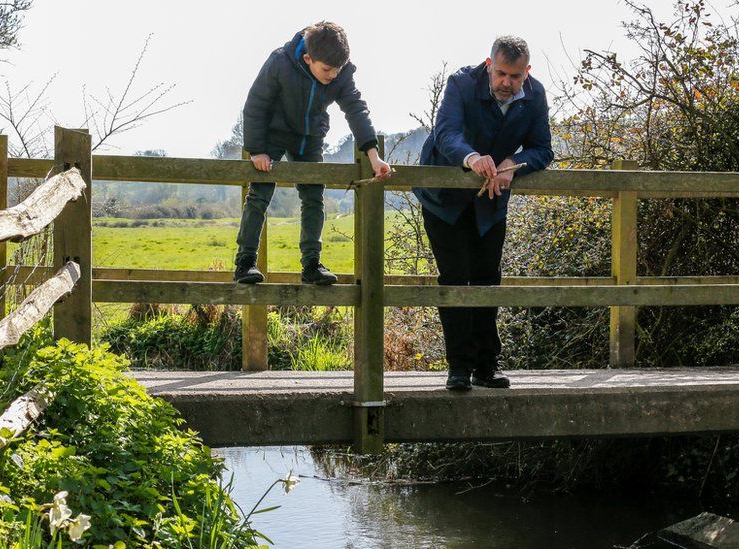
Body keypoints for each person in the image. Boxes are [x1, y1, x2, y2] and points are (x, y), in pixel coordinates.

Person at [413, 36, 554, 391]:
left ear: (528, 73)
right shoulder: (461, 84)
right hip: (444, 198)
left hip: (490, 199)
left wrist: (513, 164)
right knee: (456, 276)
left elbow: (543, 148)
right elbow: (446, 133)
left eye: (516, 76)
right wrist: (473, 158)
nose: (507, 83)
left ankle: (486, 367)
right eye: (502, 74)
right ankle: (458, 368)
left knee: (488, 277)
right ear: (489, 66)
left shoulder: (534, 96)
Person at [234, 21, 392, 285]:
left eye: (338, 69)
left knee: (313, 196)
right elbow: (255, 104)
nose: (332, 75)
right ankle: (245, 263)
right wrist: (257, 151)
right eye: (327, 69)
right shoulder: (280, 62)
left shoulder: (340, 73)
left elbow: (356, 110)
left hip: (309, 135)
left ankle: (311, 265)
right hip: (274, 133)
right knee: (259, 195)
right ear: (308, 58)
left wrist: (374, 156)